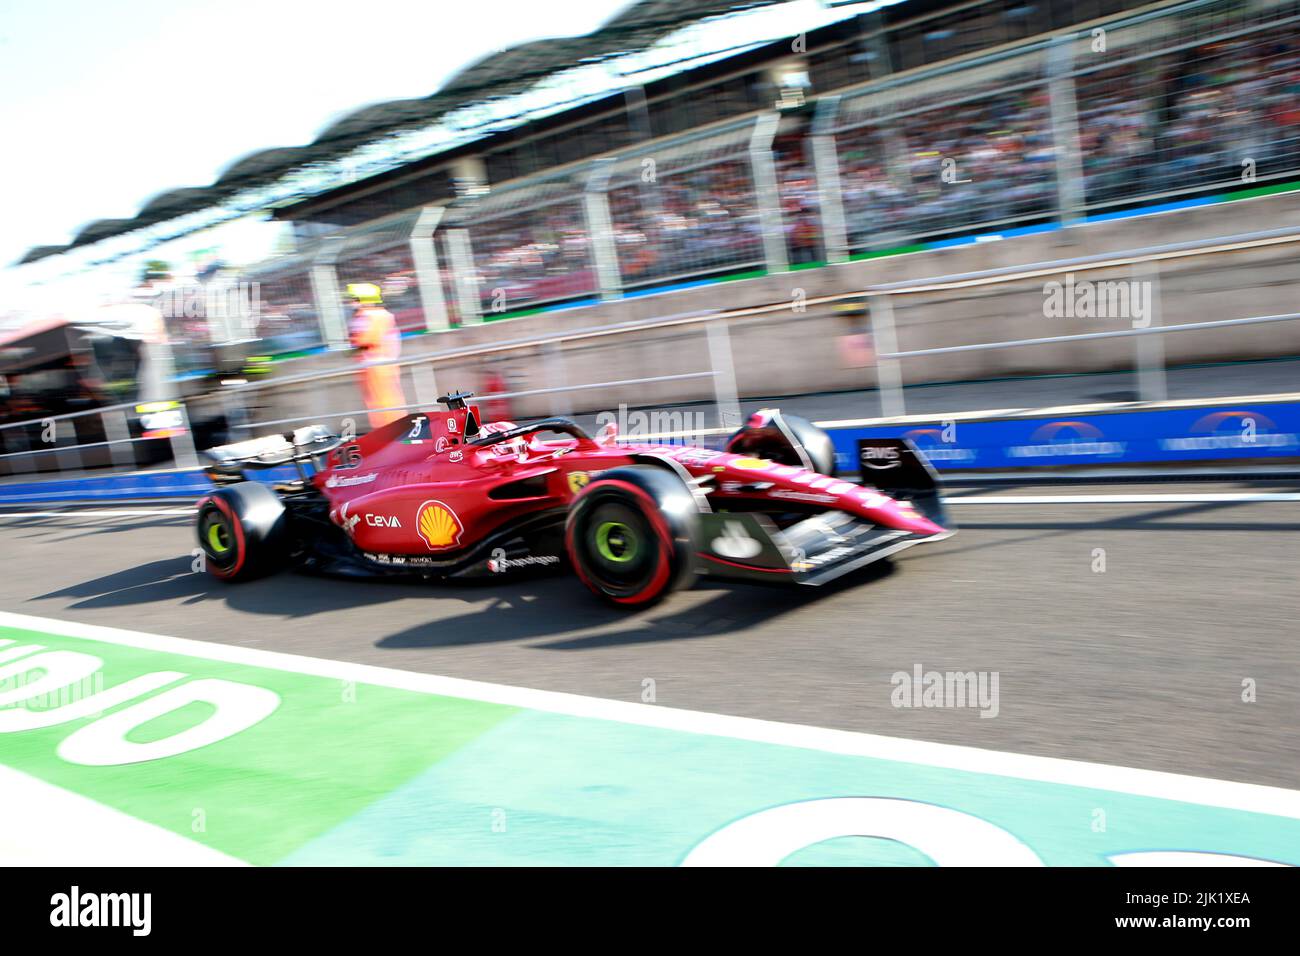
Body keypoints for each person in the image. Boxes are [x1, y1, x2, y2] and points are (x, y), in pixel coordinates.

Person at [346, 283, 407, 430]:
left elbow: (365, 339)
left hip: (377, 365)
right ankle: (388, 431)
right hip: (374, 365)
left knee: (384, 401)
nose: (352, 302)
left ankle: (393, 432)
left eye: (354, 299)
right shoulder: (373, 315)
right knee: (378, 402)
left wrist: (355, 341)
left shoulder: (374, 316)